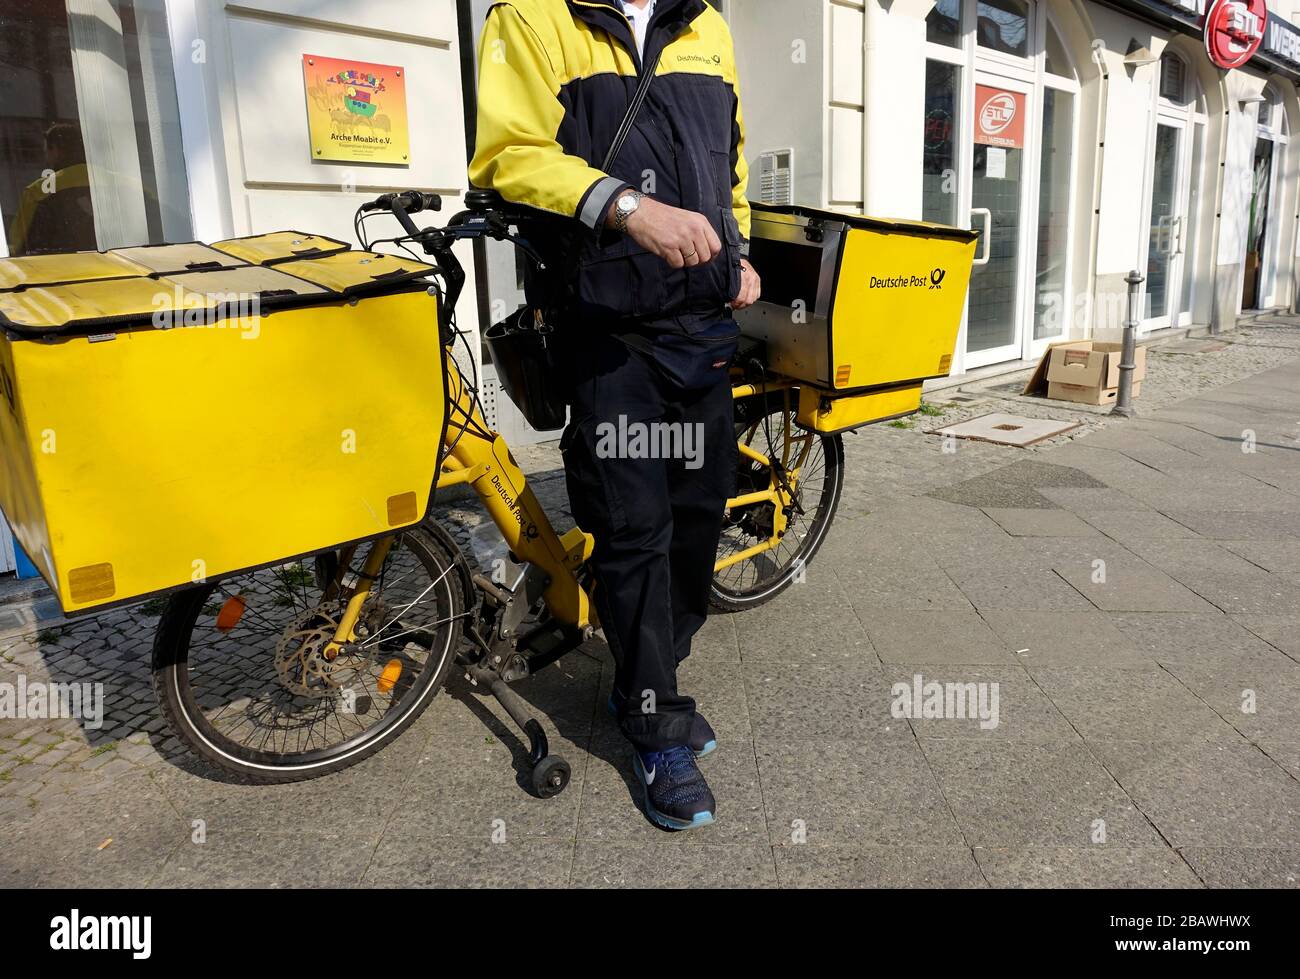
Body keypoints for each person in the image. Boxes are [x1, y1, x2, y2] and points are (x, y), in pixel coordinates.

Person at [469, 0, 760, 830]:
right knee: (634, 532)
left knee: (700, 517)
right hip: (606, 334)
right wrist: (627, 207)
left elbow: (727, 157)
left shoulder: (706, 25)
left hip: (700, 324)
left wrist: (735, 253)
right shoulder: (530, 18)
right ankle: (654, 723)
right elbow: (509, 156)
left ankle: (655, 668)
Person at [8, 123, 97, 256]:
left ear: (55, 149)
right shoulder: (122, 183)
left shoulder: (38, 191)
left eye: (46, 152)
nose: (46, 158)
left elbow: (17, 243)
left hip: (59, 268)